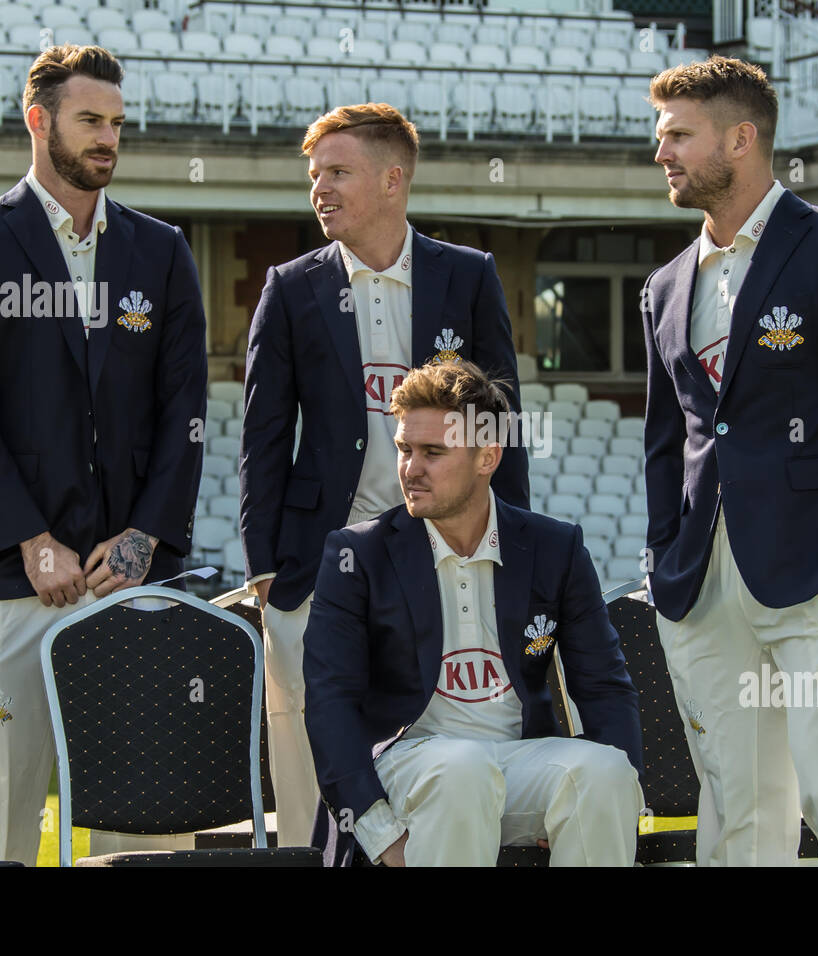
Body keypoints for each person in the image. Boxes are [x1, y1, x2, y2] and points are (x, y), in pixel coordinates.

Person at [0, 45, 207, 864]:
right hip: (12, 584)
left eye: (116, 122)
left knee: (145, 822)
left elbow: (184, 413)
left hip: (129, 576)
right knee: (0, 811)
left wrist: (144, 536)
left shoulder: (162, 252)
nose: (108, 137)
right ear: (38, 121)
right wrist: (28, 538)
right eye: (91, 120)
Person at [641, 56, 818, 866]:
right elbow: (670, 442)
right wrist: (666, 561)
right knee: (737, 808)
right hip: (702, 582)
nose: (663, 154)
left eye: (678, 137)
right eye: (661, 138)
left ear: (742, 136)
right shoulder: (665, 284)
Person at [239, 103, 529, 846]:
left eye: (338, 172)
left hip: (438, 548)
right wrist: (264, 565)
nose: (320, 189)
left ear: (393, 179)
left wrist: (514, 545)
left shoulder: (467, 276)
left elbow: (502, 425)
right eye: (314, 175)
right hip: (318, 556)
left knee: (439, 742)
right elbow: (263, 435)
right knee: (310, 754)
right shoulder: (290, 286)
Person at [303, 360, 642, 866]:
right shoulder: (356, 556)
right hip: (409, 762)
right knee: (461, 770)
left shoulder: (554, 547)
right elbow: (330, 702)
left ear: (487, 456)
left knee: (604, 772)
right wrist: (379, 833)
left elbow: (603, 687)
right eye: (404, 450)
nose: (410, 469)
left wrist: (601, 796)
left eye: (432, 453)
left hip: (517, 759)